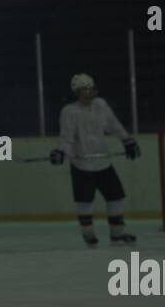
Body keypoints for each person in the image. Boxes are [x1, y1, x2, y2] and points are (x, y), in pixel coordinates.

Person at [49, 74, 139, 246]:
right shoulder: (69, 112)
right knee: (85, 201)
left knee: (116, 197)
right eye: (85, 89)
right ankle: (88, 234)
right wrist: (60, 151)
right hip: (81, 165)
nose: (90, 91)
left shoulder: (101, 105)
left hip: (103, 162)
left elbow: (114, 125)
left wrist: (127, 140)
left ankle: (117, 233)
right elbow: (66, 138)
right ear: (77, 92)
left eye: (91, 87)